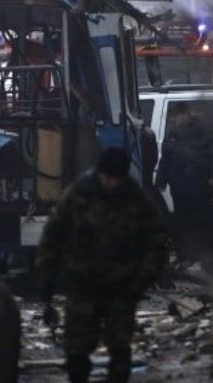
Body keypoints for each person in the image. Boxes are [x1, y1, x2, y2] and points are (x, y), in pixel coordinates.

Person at [36, 148, 168, 383]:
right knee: (77, 349)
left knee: (119, 347)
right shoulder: (79, 194)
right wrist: (47, 277)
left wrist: (142, 280)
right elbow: (53, 236)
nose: (111, 184)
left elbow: (156, 243)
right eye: (107, 178)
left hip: (122, 286)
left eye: (116, 179)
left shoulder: (135, 198)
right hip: (82, 285)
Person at [154, 104, 213, 265]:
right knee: (183, 223)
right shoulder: (172, 134)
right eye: (172, 118)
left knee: (202, 222)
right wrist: (161, 181)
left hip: (201, 186)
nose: (174, 120)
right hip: (180, 187)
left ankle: (205, 256)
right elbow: (166, 159)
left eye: (176, 116)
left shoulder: (203, 131)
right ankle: (185, 256)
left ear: (185, 114)